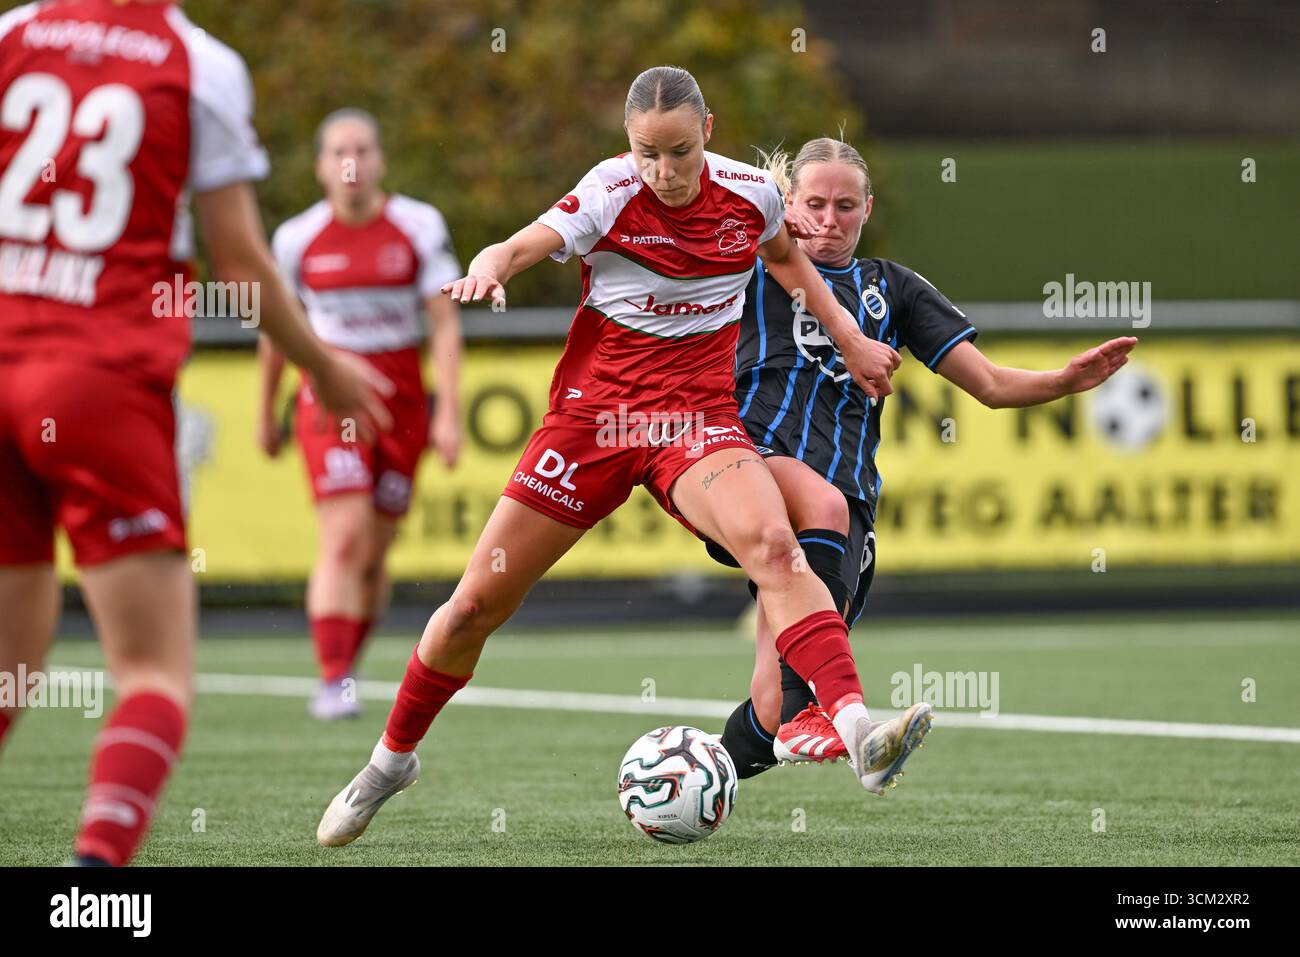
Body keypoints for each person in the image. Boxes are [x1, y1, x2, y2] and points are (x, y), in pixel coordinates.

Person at [316, 65, 929, 848]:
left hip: (695, 424)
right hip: (592, 426)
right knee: (473, 606)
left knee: (776, 544)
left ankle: (855, 729)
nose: (663, 173)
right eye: (647, 153)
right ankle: (390, 761)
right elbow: (526, 242)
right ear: (628, 145)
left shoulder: (750, 193)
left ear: (707, 133)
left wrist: (849, 339)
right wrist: (489, 268)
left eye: (677, 152)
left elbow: (785, 260)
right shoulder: (610, 191)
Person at [0, 0, 389, 866]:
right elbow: (239, 264)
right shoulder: (197, 62)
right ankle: (92, 877)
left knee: (11, 665)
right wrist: (324, 368)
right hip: (102, 379)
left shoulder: (12, 34)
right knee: (152, 673)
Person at [712, 136, 1138, 778]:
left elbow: (989, 386)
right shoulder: (755, 261)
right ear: (790, 201)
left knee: (771, 707)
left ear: (867, 207)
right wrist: (765, 210)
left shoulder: (894, 290)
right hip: (751, 464)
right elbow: (694, 191)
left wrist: (1064, 381)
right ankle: (828, 719)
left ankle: (696, 778)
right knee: (818, 512)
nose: (829, 221)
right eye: (815, 204)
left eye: (846, 206)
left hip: (847, 496)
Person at [259, 108, 464, 720]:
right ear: (321, 166)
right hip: (330, 397)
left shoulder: (418, 226)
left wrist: (448, 413)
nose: (351, 163)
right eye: (338, 151)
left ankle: (346, 668)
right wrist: (264, 409)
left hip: (401, 403)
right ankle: (331, 679)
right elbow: (275, 329)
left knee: (374, 555)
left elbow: (444, 325)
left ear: (379, 160)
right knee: (343, 539)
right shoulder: (297, 238)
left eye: (363, 149)